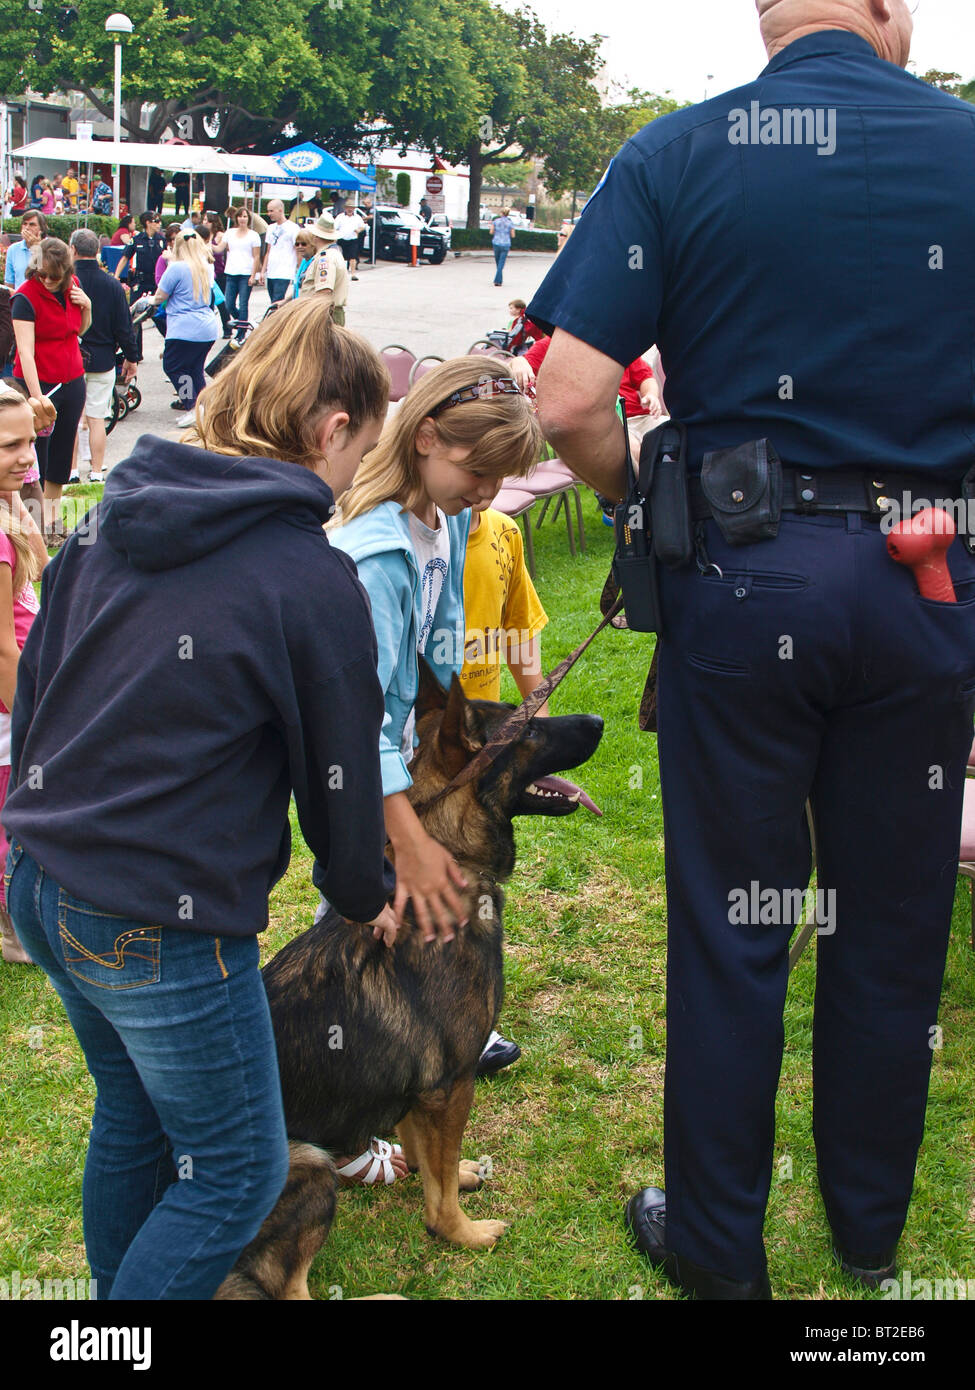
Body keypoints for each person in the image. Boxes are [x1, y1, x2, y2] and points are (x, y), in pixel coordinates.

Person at [528, 0, 973, 1301]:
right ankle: (866, 1228)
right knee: (889, 923)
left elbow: (565, 393)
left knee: (735, 922)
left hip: (741, 570)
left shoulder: (676, 152)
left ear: (764, 18)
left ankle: (721, 1251)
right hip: (922, 569)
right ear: (887, 14)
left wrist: (634, 503)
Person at [1, 295, 400, 1299]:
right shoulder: (311, 580)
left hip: (41, 880)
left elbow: (37, 695)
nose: (357, 483)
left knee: (133, 1114)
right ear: (332, 428)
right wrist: (366, 890)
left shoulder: (111, 521)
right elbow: (341, 790)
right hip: (153, 919)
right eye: (362, 454)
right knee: (236, 1170)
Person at [460, 496, 550, 1080]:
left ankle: (469, 1020)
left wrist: (536, 729)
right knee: (381, 880)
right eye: (479, 465)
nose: (488, 486)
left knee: (475, 878)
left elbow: (518, 634)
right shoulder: (405, 537)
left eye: (501, 472)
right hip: (417, 749)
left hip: (483, 747)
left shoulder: (503, 533)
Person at [0, 386, 48, 965]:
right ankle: (14, 927)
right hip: (11, 710)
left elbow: (45, 545)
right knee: (14, 816)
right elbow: (3, 652)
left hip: (23, 696)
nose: (26, 456)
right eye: (9, 445)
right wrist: (33, 722)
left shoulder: (12, 508)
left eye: (29, 442)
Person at [10, 237, 91, 546]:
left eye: (53, 276)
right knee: (35, 457)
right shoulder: (25, 298)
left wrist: (88, 307)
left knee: (60, 456)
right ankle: (33, 526)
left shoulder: (74, 287)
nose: (46, 281)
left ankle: (52, 522)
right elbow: (25, 352)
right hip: (37, 384)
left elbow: (79, 330)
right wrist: (36, 397)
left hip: (72, 379)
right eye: (41, 274)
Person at [69, 229, 139, 484]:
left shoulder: (67, 281)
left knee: (72, 418)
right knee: (98, 417)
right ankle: (97, 471)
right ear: (96, 252)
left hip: (71, 357)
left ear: (73, 250)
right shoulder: (112, 284)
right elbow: (124, 326)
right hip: (102, 358)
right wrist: (132, 357)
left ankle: (72, 471)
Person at [136, 230, 218, 425]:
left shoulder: (176, 269)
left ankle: (190, 404)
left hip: (183, 328)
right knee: (194, 369)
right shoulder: (206, 267)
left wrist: (145, 300)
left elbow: (160, 296)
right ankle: (203, 407)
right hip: (206, 327)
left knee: (173, 366)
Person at [296, 214, 349, 325]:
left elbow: (324, 292)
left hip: (323, 315)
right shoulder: (332, 254)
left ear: (315, 236)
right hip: (326, 312)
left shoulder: (326, 258)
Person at [222, 207, 262, 341]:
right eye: (240, 216)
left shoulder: (253, 235)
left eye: (245, 216)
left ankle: (241, 334)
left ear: (248, 219)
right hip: (231, 272)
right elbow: (221, 248)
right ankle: (243, 324)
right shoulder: (230, 233)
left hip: (246, 273)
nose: (242, 219)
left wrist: (253, 275)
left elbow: (256, 257)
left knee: (243, 303)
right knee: (229, 304)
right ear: (236, 218)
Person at [260, 199, 299, 304]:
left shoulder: (293, 228)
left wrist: (299, 270)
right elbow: (268, 250)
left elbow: (298, 250)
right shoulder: (270, 228)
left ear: (280, 210)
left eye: (272, 211)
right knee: (273, 301)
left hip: (284, 272)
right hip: (271, 271)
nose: (269, 214)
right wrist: (263, 271)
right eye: (268, 211)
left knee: (276, 302)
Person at [4, 211, 47, 290]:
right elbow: (9, 283)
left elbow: (41, 274)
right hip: (20, 298)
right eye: (24, 224)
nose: (27, 228)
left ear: (41, 228)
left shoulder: (51, 247)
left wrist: (36, 248)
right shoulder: (13, 249)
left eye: (32, 224)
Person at [333, 206, 365, 281]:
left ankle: (353, 274)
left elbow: (363, 227)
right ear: (345, 208)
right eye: (348, 208)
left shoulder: (357, 217)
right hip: (342, 239)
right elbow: (334, 227)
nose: (350, 209)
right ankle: (341, 274)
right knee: (341, 258)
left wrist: (359, 230)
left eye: (351, 208)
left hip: (353, 239)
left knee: (353, 257)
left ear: (354, 209)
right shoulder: (340, 217)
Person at [491, 208, 514, 287]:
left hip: (496, 242)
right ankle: (499, 279)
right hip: (506, 243)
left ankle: (498, 280)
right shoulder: (510, 223)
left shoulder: (496, 221)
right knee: (501, 263)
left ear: (501, 213)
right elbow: (513, 235)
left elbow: (491, 232)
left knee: (498, 262)